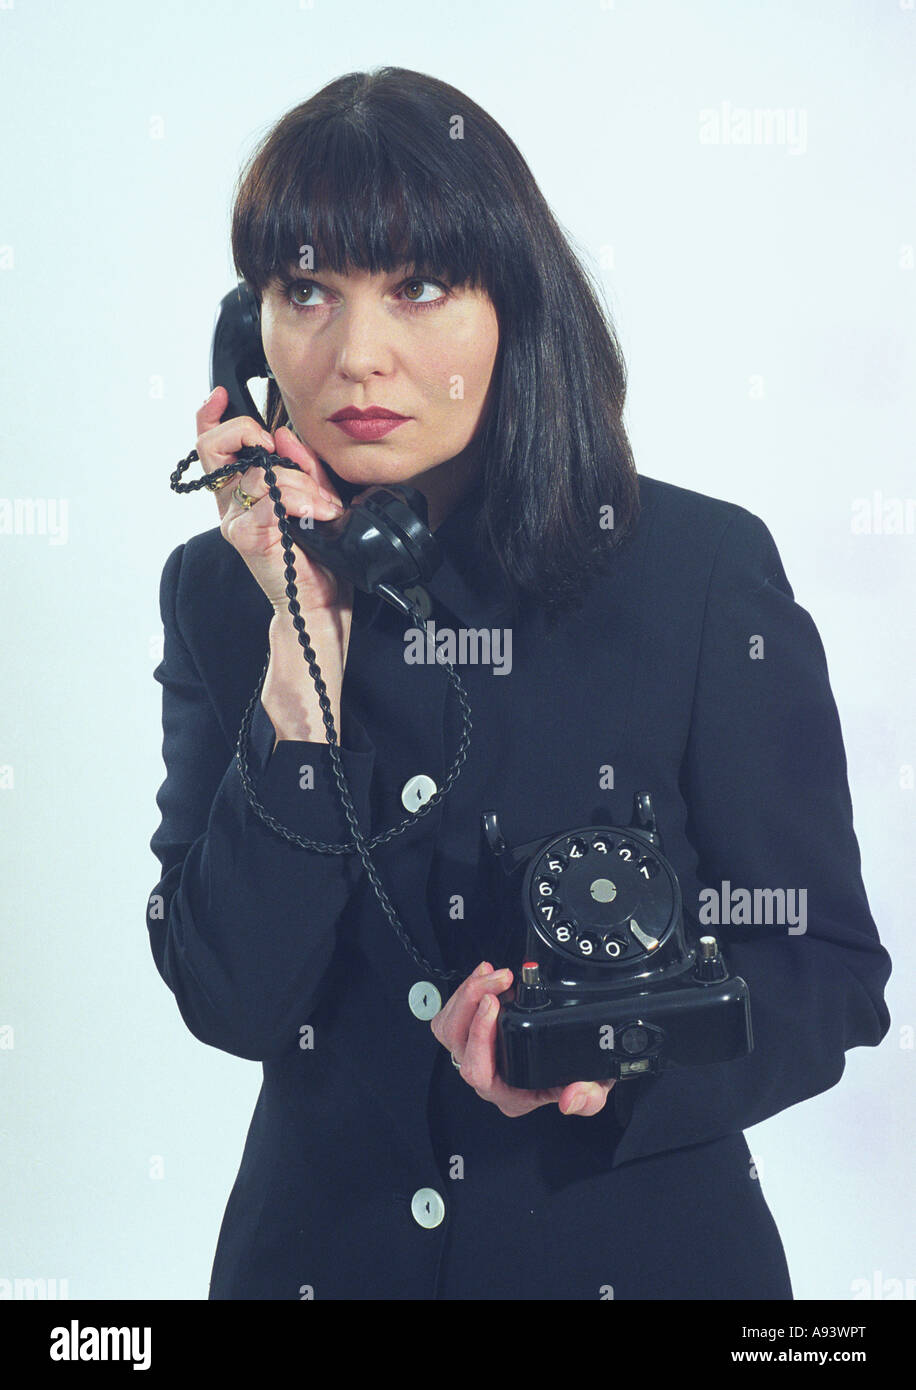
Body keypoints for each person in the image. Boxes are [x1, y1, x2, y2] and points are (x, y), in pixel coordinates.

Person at [147, 67, 892, 1300]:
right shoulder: (225, 592)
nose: (356, 355)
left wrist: (613, 1062)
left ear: (514, 305)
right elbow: (232, 1000)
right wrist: (302, 653)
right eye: (307, 291)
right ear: (250, 332)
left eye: (419, 286)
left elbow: (822, 971)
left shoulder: (698, 573)